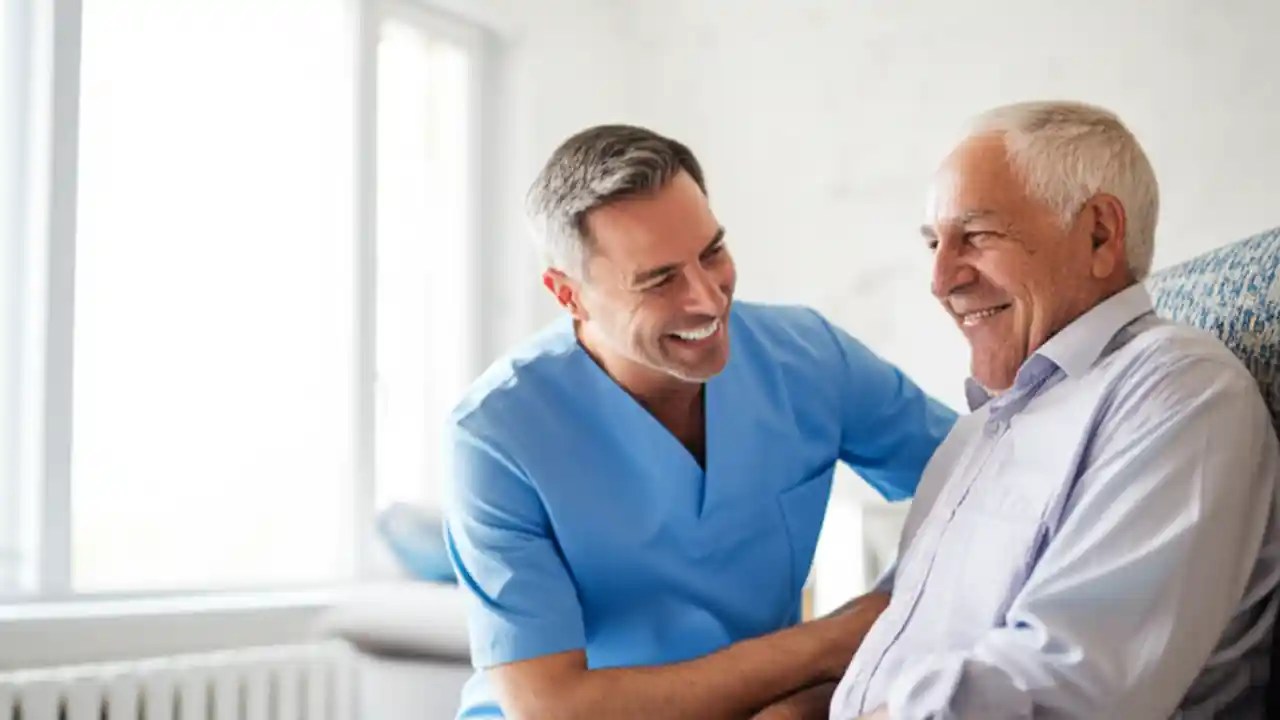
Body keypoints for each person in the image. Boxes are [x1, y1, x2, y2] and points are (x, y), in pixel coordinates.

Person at [443, 124, 956, 719]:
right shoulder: (498, 433)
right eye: (659, 279)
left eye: (712, 253)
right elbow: (557, 708)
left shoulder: (809, 358)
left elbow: (992, 489)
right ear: (569, 296)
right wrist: (833, 642)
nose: (708, 300)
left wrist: (811, 699)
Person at [828, 101, 1280, 719]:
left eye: (977, 235)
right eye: (934, 242)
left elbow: (1072, 690)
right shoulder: (980, 430)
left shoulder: (1180, 391)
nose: (939, 279)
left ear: (1100, 234)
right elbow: (891, 645)